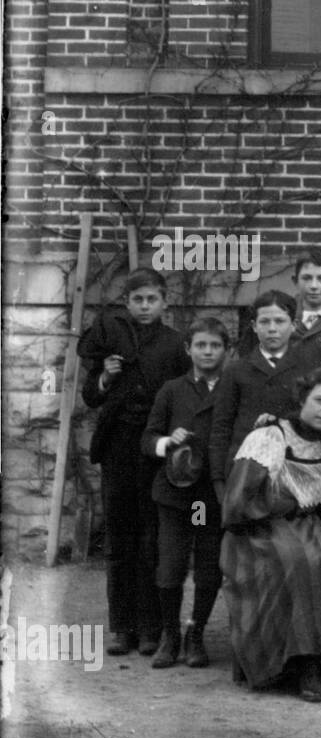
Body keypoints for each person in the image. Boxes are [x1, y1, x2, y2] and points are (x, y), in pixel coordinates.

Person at [220, 370, 321, 702]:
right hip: (258, 527)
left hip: (306, 525)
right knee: (293, 560)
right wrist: (283, 504)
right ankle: (289, 663)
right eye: (319, 400)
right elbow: (239, 501)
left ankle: (317, 660)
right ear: (302, 400)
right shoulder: (271, 435)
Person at [77, 267, 190, 656]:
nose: (144, 306)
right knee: (119, 538)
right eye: (137, 299)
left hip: (154, 451)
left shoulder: (176, 345)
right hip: (118, 449)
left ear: (164, 303)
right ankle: (121, 627)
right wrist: (106, 377)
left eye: (151, 299)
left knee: (151, 540)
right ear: (127, 303)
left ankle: (150, 628)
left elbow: (183, 397)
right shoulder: (111, 339)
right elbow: (91, 395)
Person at [141, 316, 229, 669]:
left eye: (215, 345)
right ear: (188, 349)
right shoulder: (172, 390)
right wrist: (167, 441)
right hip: (176, 494)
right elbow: (147, 438)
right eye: (201, 345)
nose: (208, 352)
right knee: (171, 566)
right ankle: (170, 635)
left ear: (227, 349)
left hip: (211, 495)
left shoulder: (232, 386)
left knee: (209, 568)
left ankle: (196, 633)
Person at [209, 290, 320, 482]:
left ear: (293, 325)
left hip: (293, 468)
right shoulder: (236, 370)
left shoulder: (308, 369)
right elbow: (221, 427)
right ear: (254, 326)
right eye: (265, 322)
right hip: (245, 469)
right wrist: (219, 478)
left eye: (280, 321)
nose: (272, 328)